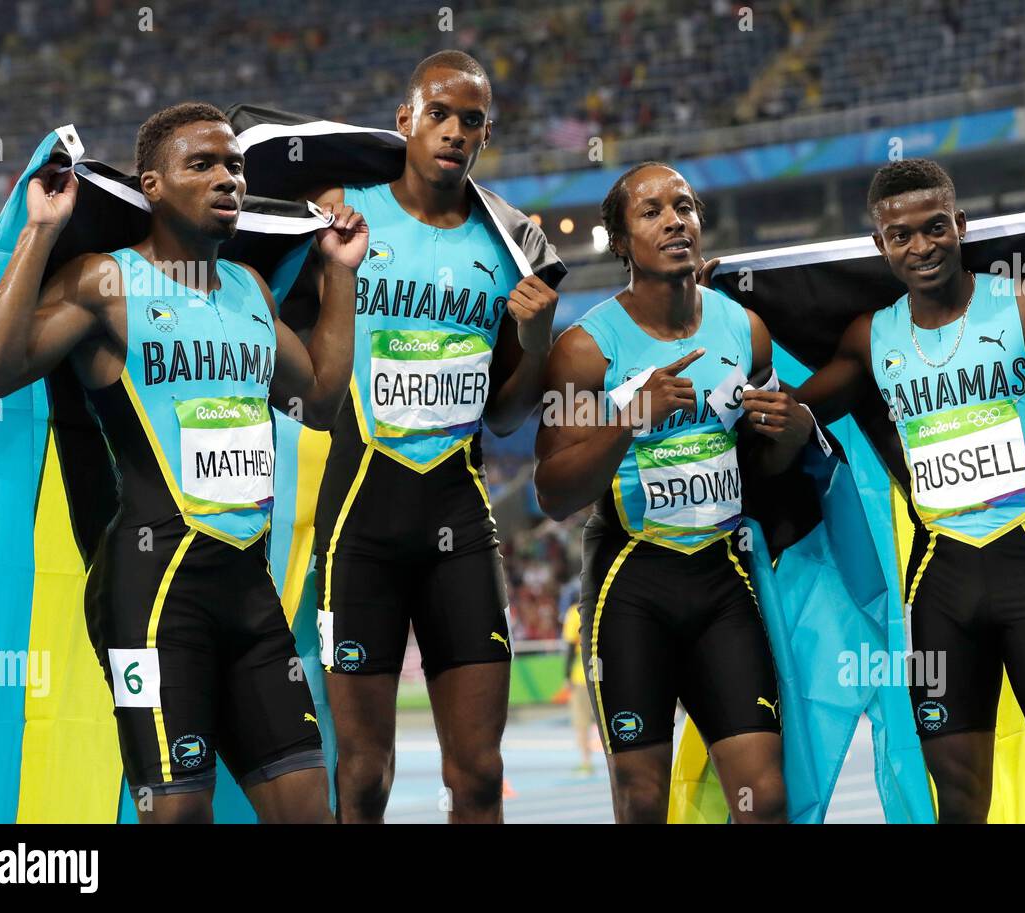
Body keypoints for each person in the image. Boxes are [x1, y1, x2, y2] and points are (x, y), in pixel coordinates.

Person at [0, 102, 367, 823]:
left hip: (250, 592)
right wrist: (41, 230)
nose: (227, 179)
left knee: (309, 804)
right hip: (152, 595)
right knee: (178, 813)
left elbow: (319, 400)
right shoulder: (105, 283)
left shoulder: (250, 289)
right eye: (202, 164)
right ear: (151, 183)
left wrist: (340, 276)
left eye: (235, 166)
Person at [787, 158, 1025, 823]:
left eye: (935, 227)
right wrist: (715, 313)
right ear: (880, 246)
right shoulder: (871, 338)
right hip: (938, 591)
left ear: (960, 225)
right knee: (961, 804)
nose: (922, 246)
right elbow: (794, 421)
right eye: (902, 235)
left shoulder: (1023, 306)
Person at [304, 51, 561, 824]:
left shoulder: (514, 241)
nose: (454, 131)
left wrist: (538, 334)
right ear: (404, 121)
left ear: (488, 133)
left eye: (471, 120)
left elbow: (509, 414)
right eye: (439, 114)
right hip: (356, 527)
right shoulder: (343, 214)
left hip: (459, 522)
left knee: (479, 773)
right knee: (363, 777)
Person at [535, 162, 811, 824]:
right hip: (633, 583)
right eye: (652, 211)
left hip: (722, 582)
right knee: (641, 800)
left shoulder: (745, 330)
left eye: (684, 207)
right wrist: (629, 418)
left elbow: (766, 460)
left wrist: (792, 431)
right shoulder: (584, 349)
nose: (674, 220)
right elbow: (552, 489)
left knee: (764, 795)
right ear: (621, 241)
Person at [561, 602, 595, 775]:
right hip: (604, 673)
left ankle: (586, 762)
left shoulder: (574, 613)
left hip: (582, 675)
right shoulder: (606, 605)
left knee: (582, 722)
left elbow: (568, 648)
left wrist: (566, 676)